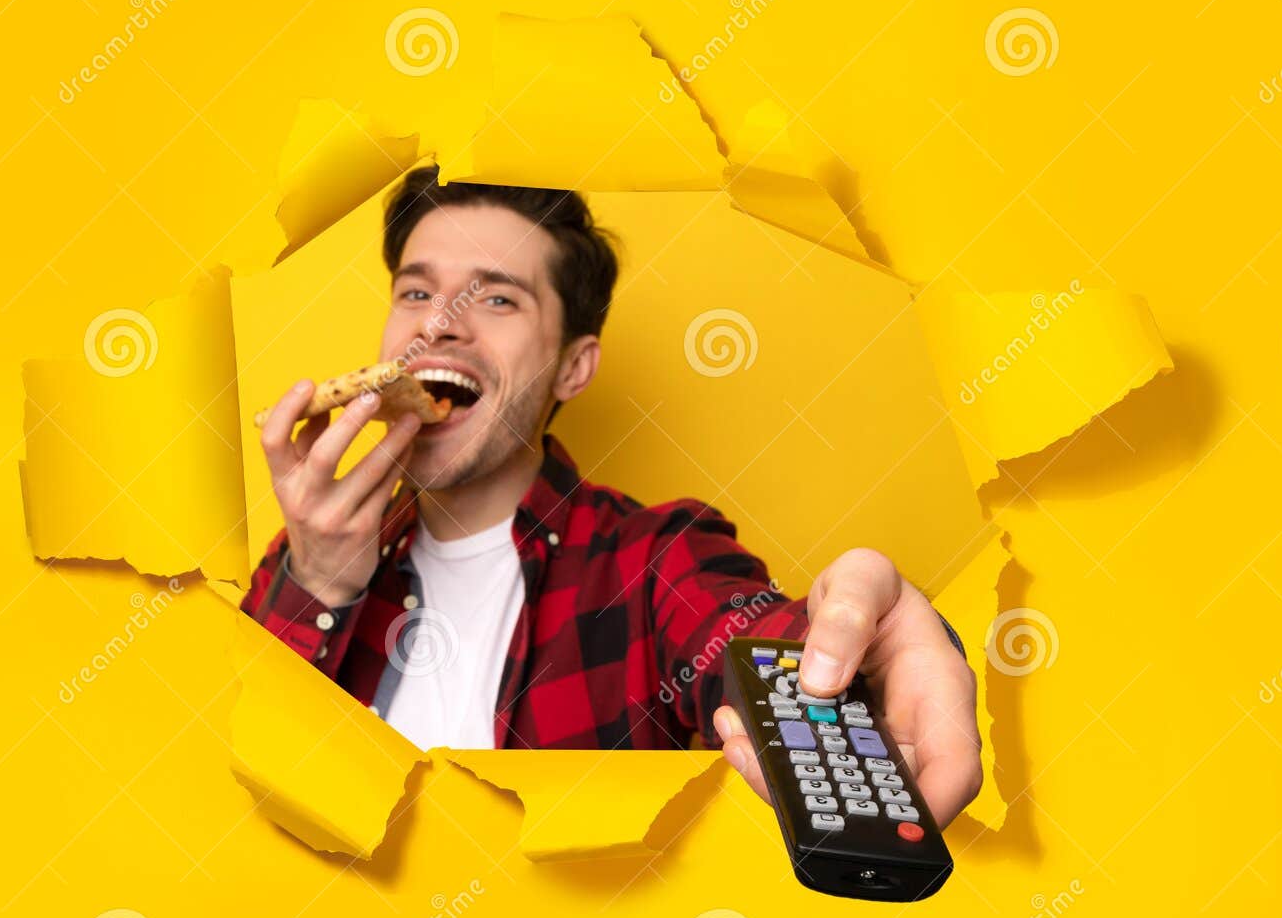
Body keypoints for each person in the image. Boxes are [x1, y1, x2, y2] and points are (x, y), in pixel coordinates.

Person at [242, 166, 981, 826]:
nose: (438, 322)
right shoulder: (305, 558)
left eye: (497, 297)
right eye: (416, 290)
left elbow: (754, 648)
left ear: (573, 368)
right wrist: (319, 584)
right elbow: (232, 781)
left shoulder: (652, 560)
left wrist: (866, 660)